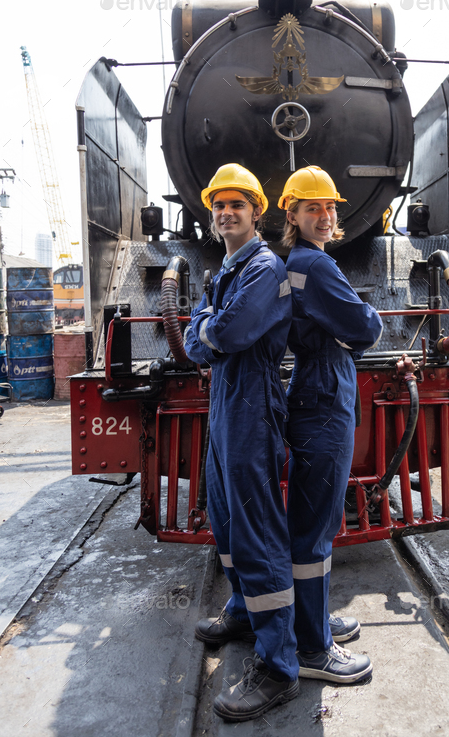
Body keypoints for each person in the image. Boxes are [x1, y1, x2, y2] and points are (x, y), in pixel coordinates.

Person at [185, 163, 299, 722]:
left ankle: (279, 665)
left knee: (257, 532)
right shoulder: (224, 272)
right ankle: (243, 610)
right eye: (219, 205)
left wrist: (207, 328)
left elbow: (224, 334)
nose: (226, 212)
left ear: (257, 212)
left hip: (252, 407)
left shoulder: (264, 270)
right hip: (225, 407)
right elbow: (196, 339)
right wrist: (207, 329)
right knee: (227, 521)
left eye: (237, 204)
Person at [278, 166, 383, 683]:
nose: (325, 216)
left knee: (312, 522)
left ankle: (313, 621)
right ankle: (313, 648)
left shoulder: (300, 262)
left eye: (329, 207)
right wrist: (362, 325)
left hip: (316, 388)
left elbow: (346, 328)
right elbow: (364, 325)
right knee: (315, 527)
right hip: (323, 397)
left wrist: (348, 332)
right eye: (312, 208)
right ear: (292, 215)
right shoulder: (315, 266)